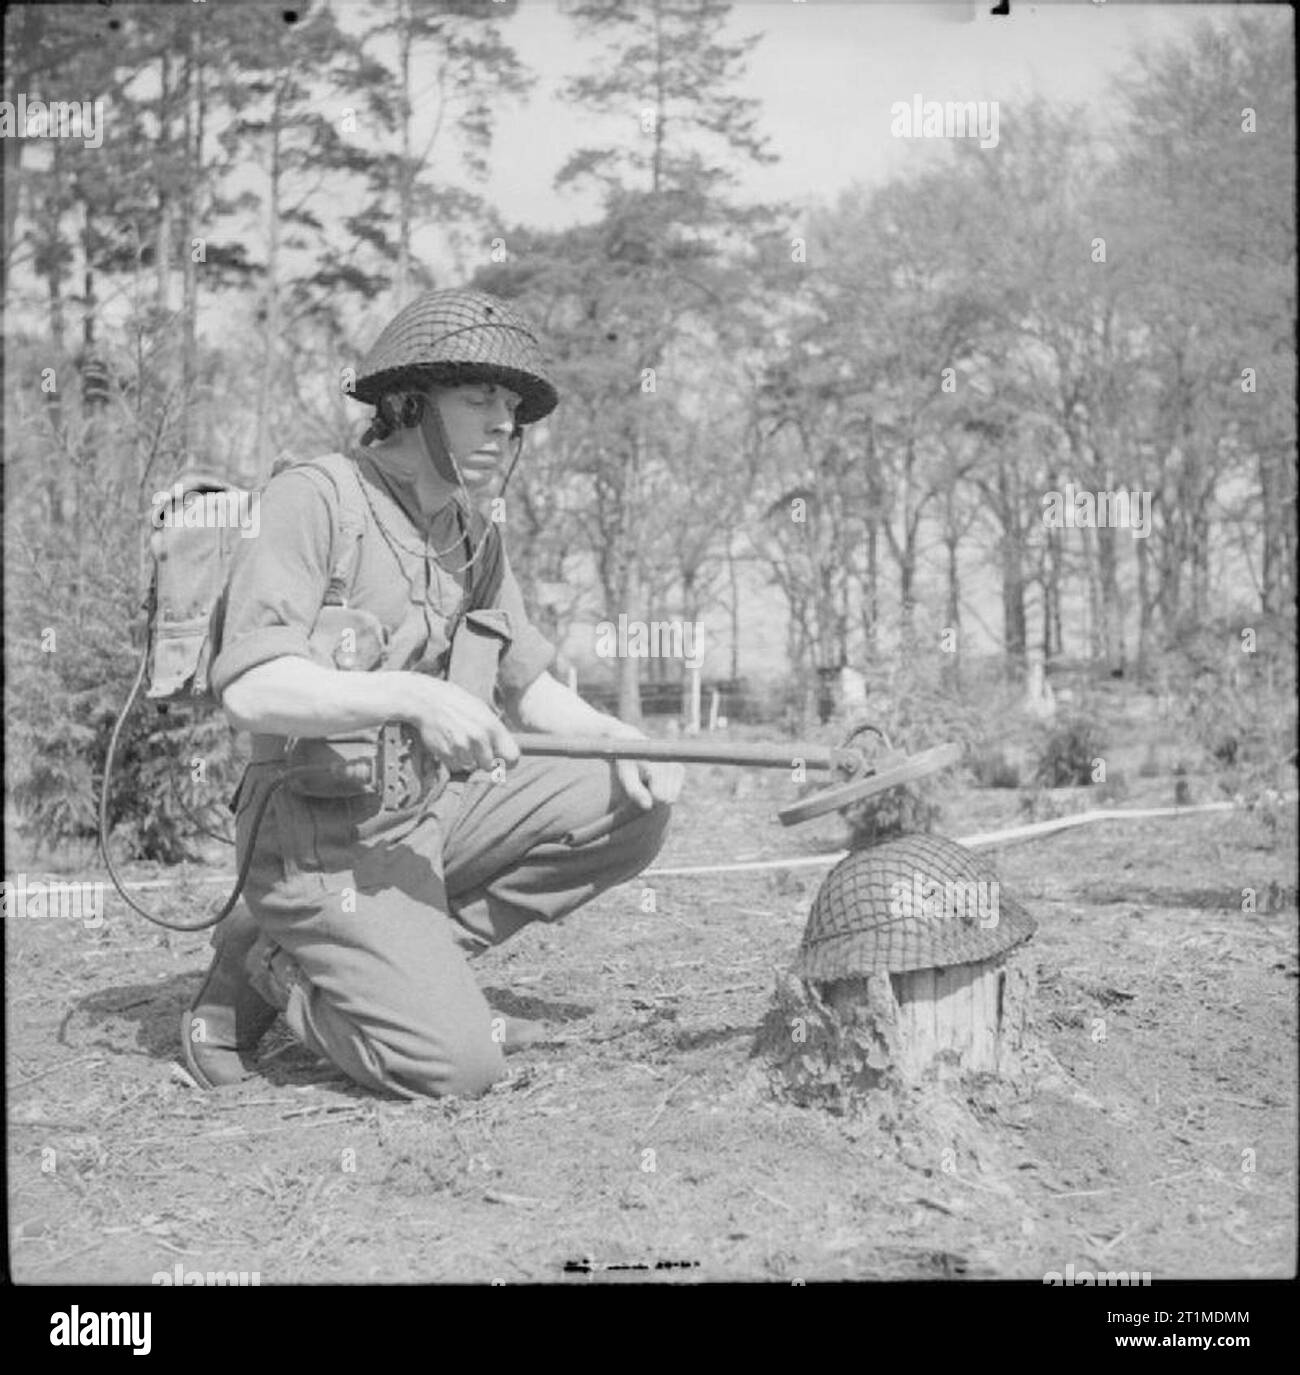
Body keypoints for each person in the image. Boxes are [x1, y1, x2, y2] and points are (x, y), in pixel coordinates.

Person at [184, 287, 682, 1098]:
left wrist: (622, 737)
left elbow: (531, 688)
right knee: (457, 1067)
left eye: (512, 406)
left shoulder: (472, 535)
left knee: (629, 799)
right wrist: (412, 699)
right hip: (313, 835)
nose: (503, 423)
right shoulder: (316, 499)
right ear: (409, 403)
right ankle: (281, 961)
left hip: (420, 819)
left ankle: (408, 969)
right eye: (478, 397)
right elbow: (250, 685)